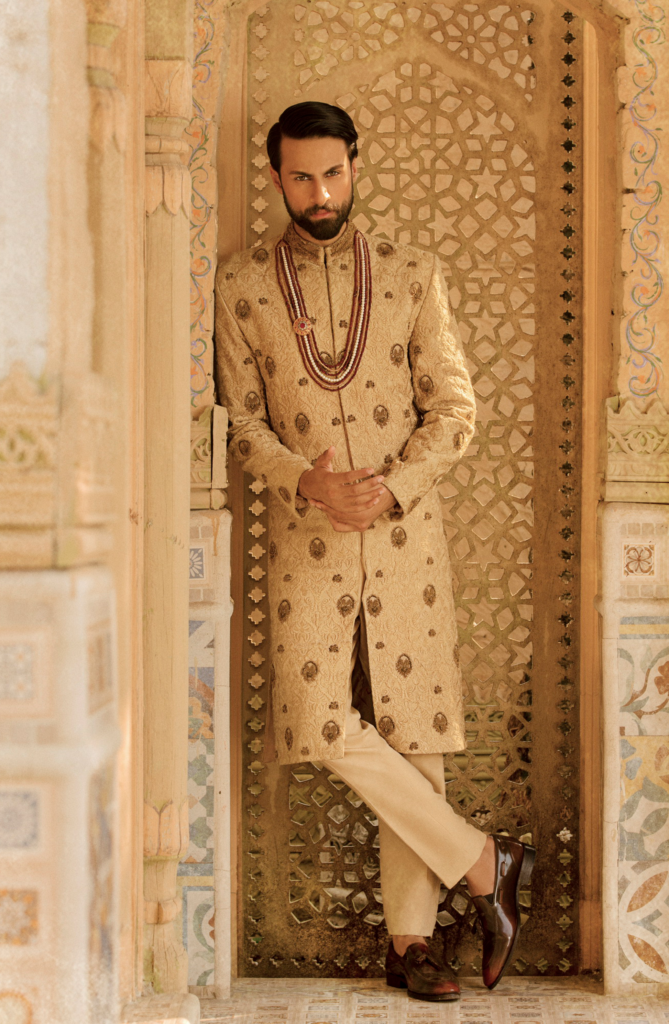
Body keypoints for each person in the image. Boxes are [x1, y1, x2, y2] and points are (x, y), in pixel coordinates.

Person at [214, 101, 535, 1000]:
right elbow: (237, 420)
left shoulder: (409, 274)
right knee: (319, 720)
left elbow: (455, 409)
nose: (320, 193)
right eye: (301, 177)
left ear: (355, 165)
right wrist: (305, 482)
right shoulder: (241, 285)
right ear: (276, 178)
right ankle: (486, 864)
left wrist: (392, 487)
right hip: (305, 534)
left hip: (403, 532)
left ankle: (410, 945)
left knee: (413, 730)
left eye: (333, 173)